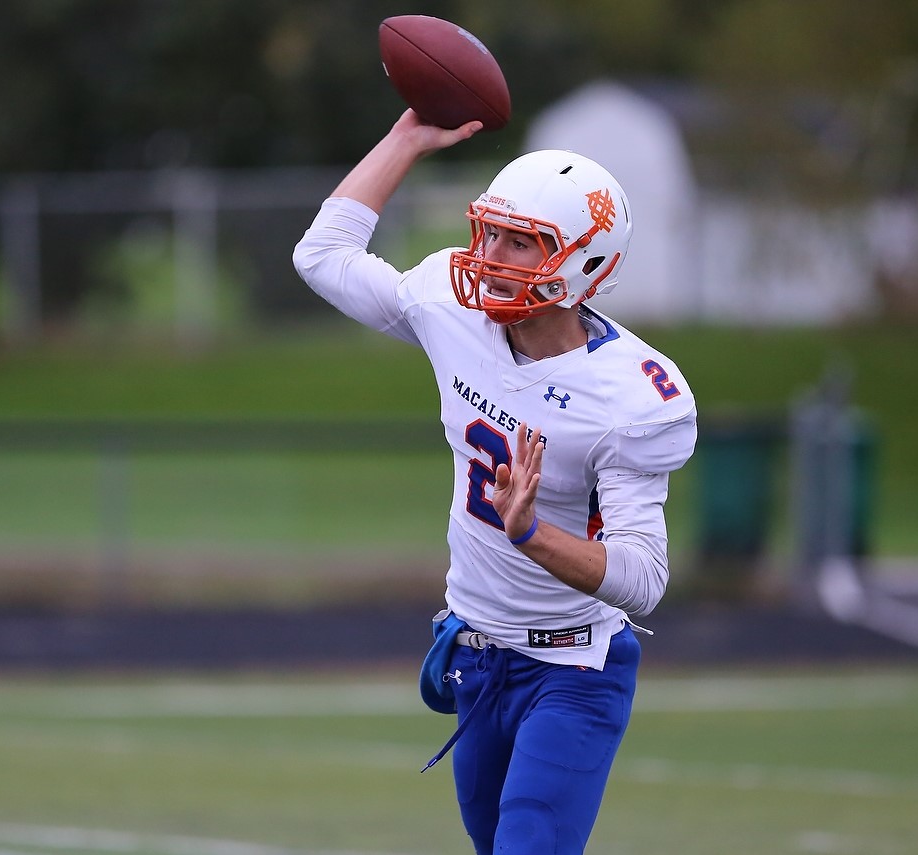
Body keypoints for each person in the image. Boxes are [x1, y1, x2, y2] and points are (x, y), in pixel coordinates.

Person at [292, 109, 698, 855]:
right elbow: (322, 255)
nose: (490, 255)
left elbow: (644, 580)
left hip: (574, 665)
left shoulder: (632, 396)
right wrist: (407, 139)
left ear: (586, 263)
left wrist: (532, 534)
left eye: (521, 242)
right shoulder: (453, 306)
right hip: (476, 652)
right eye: (490, 232)